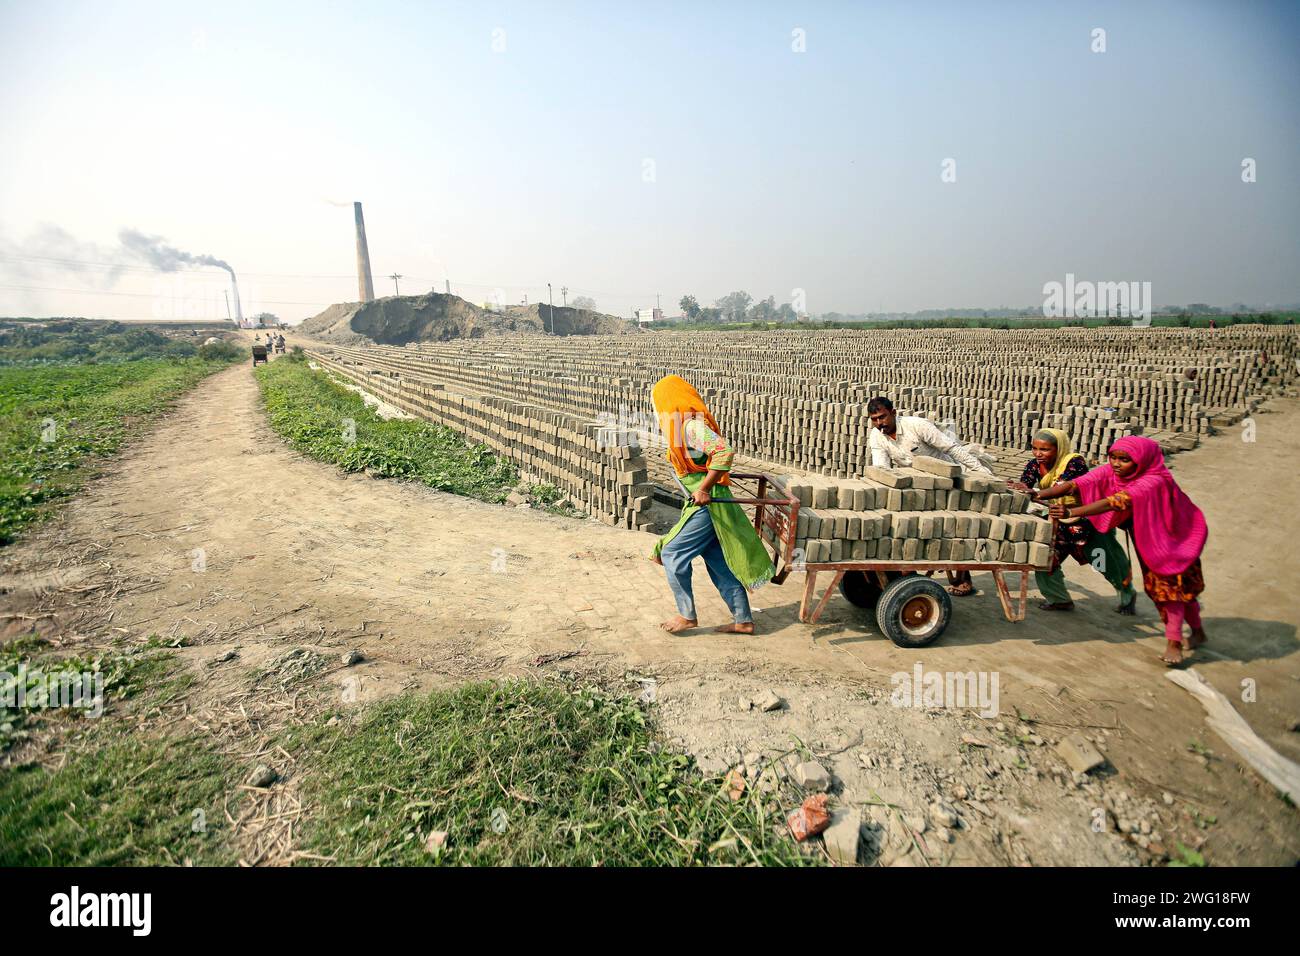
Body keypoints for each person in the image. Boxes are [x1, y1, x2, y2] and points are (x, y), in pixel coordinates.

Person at [1036, 436, 1208, 666]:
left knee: (1169, 589)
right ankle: (1198, 632)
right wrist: (1037, 494)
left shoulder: (1153, 481)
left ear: (1141, 460)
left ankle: (1173, 642)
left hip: (1172, 540)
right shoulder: (1114, 471)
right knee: (1176, 589)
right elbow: (1080, 483)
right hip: (1147, 537)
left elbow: (1113, 502)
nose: (1116, 464)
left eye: (1124, 460)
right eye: (1113, 457)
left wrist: (1071, 512)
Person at [649, 375, 775, 634]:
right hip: (708, 501)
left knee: (671, 552)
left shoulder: (689, 427)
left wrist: (704, 488)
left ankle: (687, 615)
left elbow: (723, 452)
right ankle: (744, 620)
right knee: (717, 559)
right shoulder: (680, 427)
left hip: (710, 504)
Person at [867, 396, 991, 597]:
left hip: (947, 482)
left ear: (893, 413)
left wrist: (981, 471)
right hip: (918, 485)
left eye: (882, 417)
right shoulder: (876, 436)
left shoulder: (917, 425)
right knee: (910, 527)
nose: (880, 423)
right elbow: (882, 468)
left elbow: (951, 448)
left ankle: (962, 578)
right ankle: (910, 575)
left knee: (956, 527)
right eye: (874, 419)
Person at [1009, 429, 1137, 613]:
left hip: (1088, 520)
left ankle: (1126, 593)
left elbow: (1065, 487)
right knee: (1045, 558)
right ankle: (1059, 599)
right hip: (1058, 520)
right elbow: (1027, 487)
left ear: (1058, 448)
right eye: (1034, 448)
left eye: (1045, 449)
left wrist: (1036, 493)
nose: (1038, 453)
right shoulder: (1034, 465)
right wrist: (1018, 488)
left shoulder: (1073, 463)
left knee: (1103, 560)